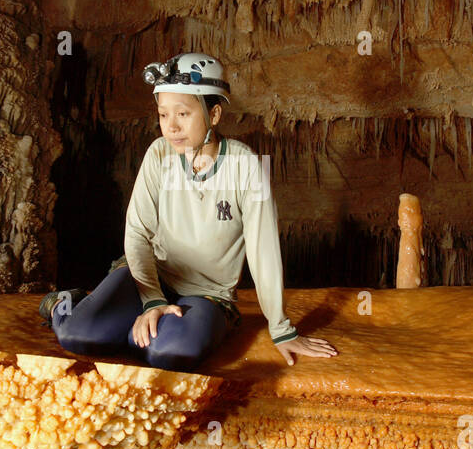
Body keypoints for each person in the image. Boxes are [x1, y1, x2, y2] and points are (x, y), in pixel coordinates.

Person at [40, 52, 338, 371]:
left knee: (169, 353)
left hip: (207, 293)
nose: (172, 126)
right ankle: (63, 302)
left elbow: (263, 250)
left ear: (214, 114)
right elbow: (138, 232)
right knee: (77, 335)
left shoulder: (246, 166)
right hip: (149, 276)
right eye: (163, 114)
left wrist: (281, 330)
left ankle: (148, 325)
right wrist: (152, 300)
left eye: (183, 113)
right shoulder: (158, 154)